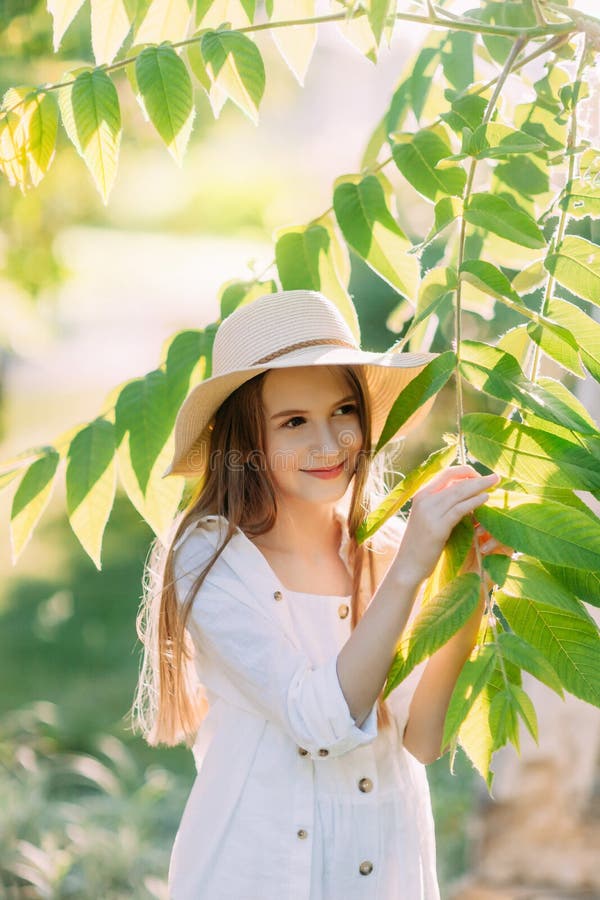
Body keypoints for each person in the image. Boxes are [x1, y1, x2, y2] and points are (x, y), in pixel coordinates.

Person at [130, 289, 505, 900]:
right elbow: (319, 720)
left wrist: (467, 586)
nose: (329, 444)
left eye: (343, 411)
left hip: (384, 871)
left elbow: (424, 738)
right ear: (244, 439)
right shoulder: (212, 559)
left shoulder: (384, 549)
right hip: (258, 873)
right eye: (294, 422)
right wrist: (414, 563)